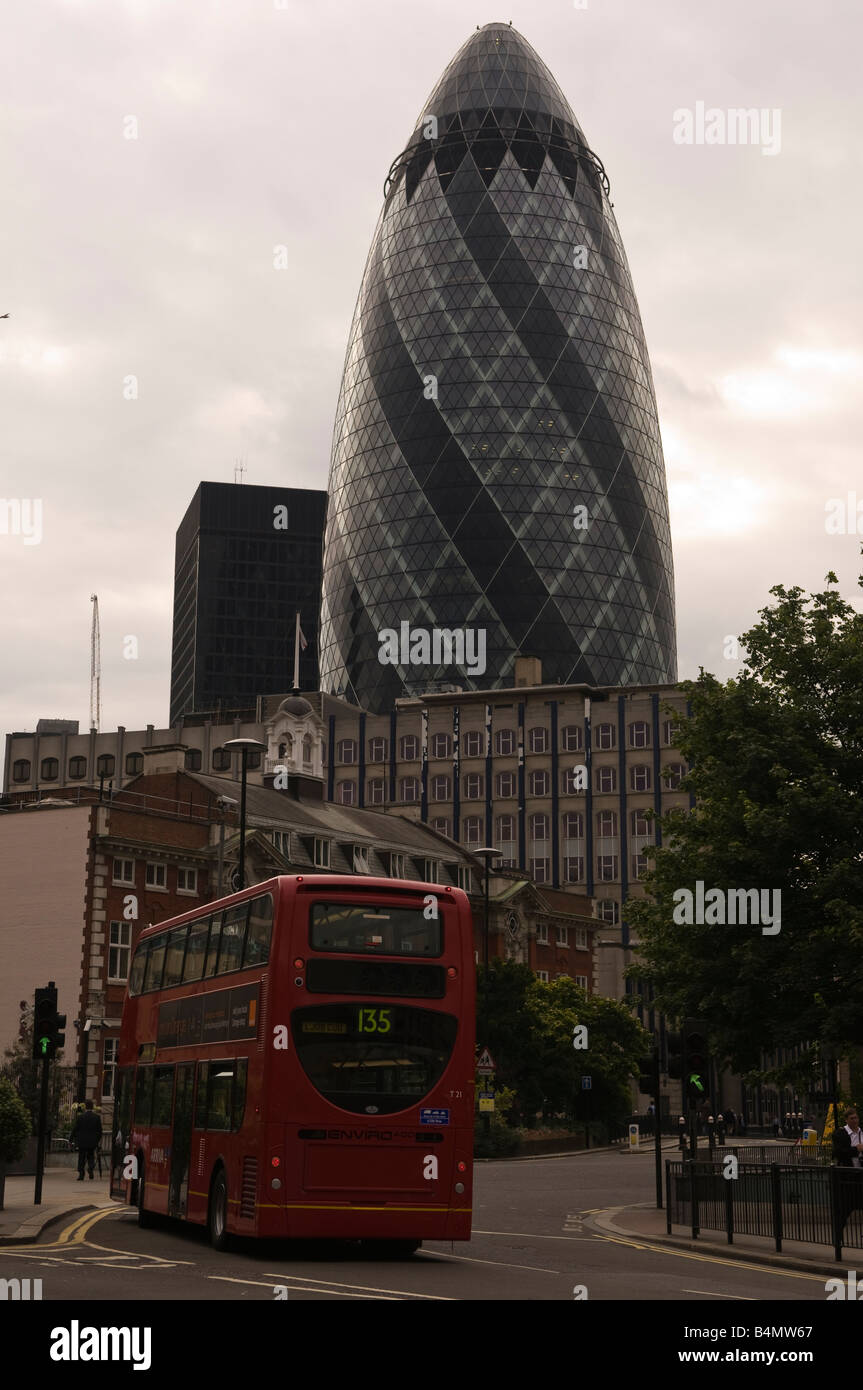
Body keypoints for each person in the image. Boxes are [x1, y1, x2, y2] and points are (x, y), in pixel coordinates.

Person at [832, 1107, 863, 1244]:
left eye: (856, 1118)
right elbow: (839, 1152)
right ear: (846, 1120)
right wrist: (856, 1150)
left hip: (861, 1175)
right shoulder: (840, 1133)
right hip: (847, 1177)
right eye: (852, 1118)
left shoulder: (862, 1132)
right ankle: (837, 1239)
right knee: (845, 1209)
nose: (855, 1121)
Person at [71, 1100, 102, 1181]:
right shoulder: (97, 1117)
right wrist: (97, 1140)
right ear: (92, 1107)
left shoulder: (80, 1117)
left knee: (81, 1157)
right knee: (91, 1156)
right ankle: (90, 1168)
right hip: (92, 1142)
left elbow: (75, 1129)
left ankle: (81, 1174)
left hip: (82, 1141)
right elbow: (100, 1131)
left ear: (85, 1107)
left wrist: (71, 1139)